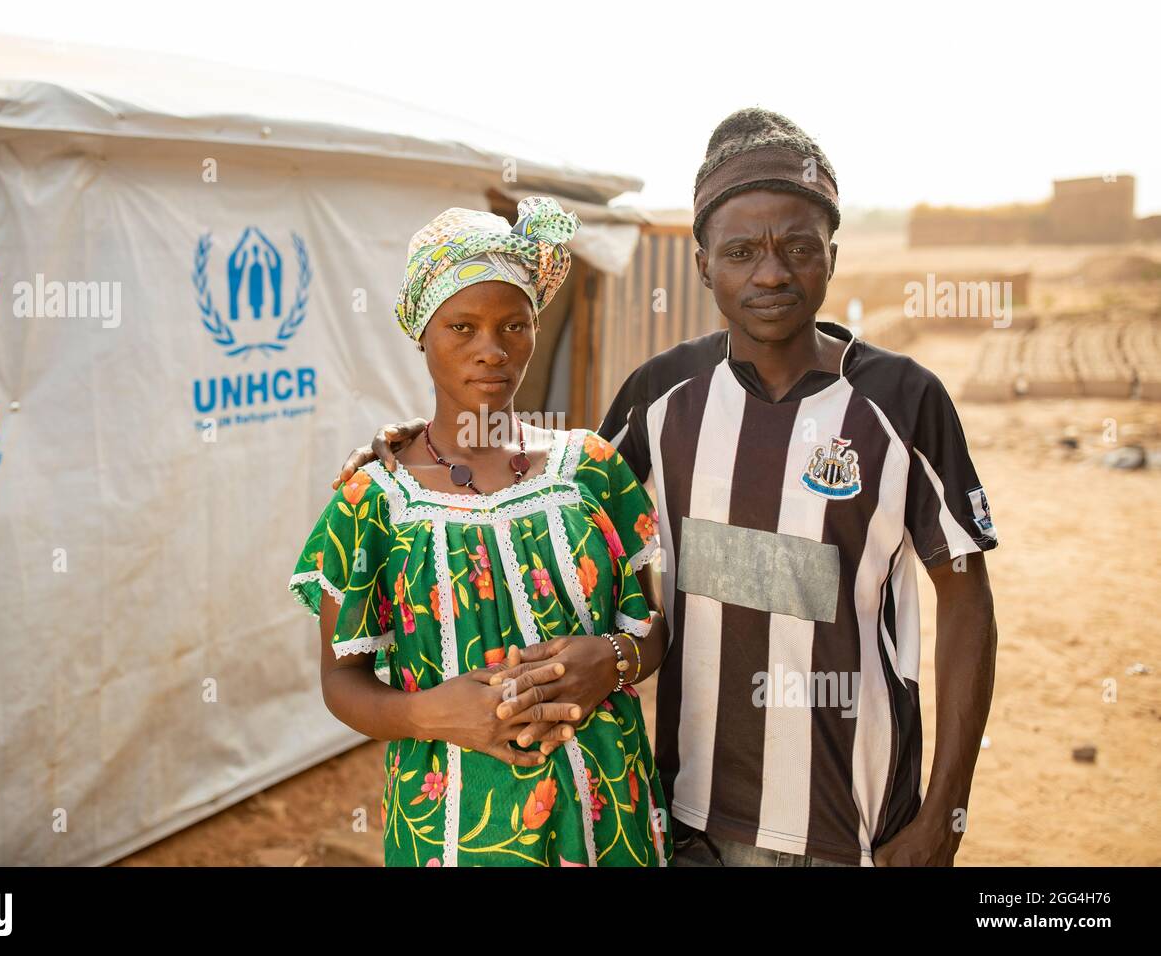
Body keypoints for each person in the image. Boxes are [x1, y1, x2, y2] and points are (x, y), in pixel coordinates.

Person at [331, 110, 1000, 868]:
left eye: (799, 248)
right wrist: (405, 456)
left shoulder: (904, 402)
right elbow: (538, 482)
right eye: (742, 251)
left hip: (859, 821)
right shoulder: (660, 396)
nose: (772, 273)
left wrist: (944, 814)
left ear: (833, 256)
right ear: (703, 264)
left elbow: (968, 599)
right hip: (687, 819)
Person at [289, 196, 672, 867]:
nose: (491, 351)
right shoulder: (372, 501)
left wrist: (607, 662)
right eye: (461, 327)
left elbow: (653, 632)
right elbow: (340, 681)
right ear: (421, 333)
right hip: (454, 831)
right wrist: (429, 715)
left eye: (513, 327)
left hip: (608, 816)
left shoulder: (593, 469)